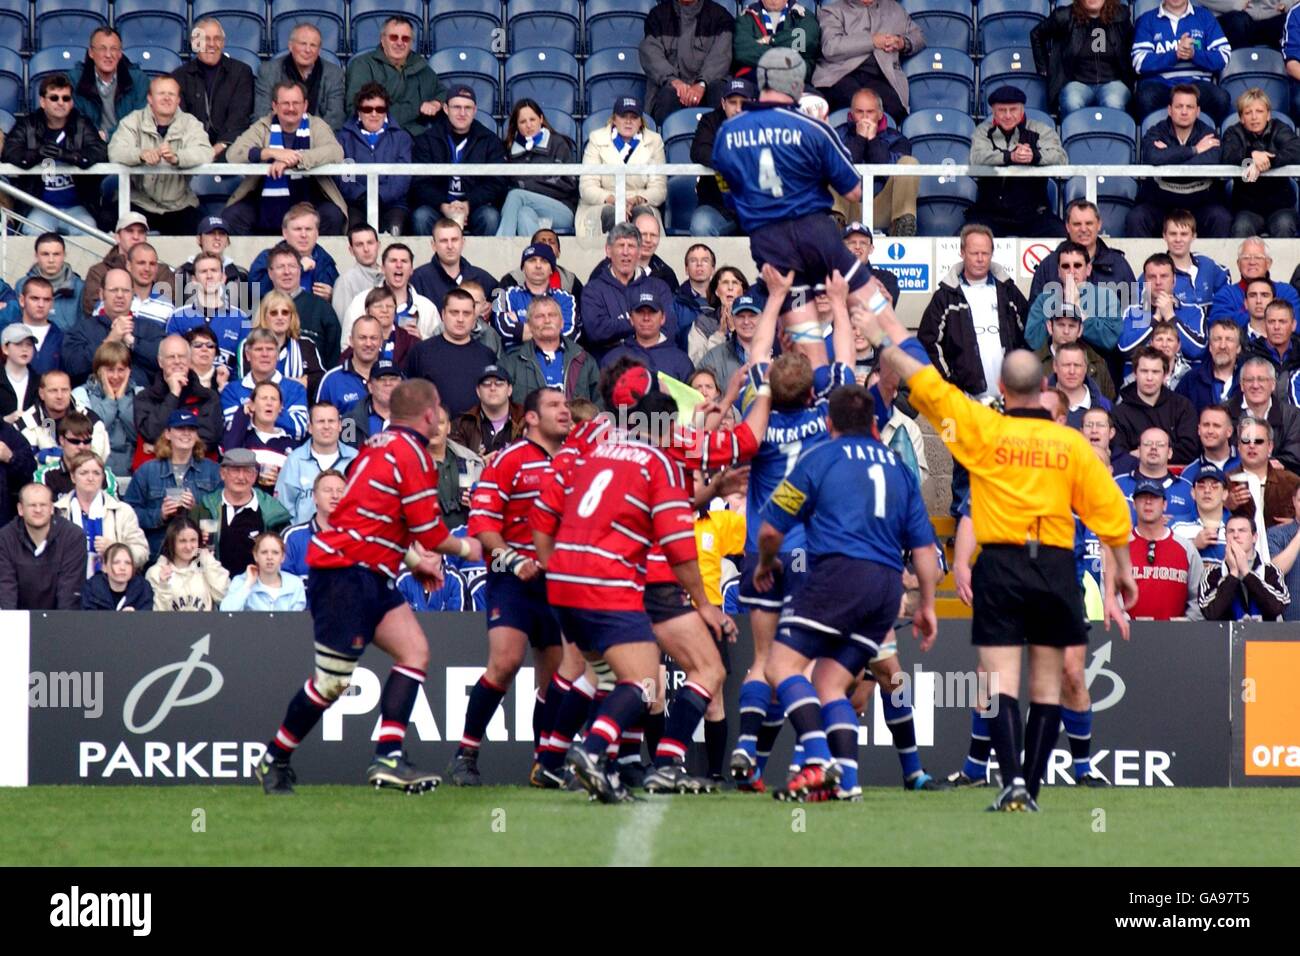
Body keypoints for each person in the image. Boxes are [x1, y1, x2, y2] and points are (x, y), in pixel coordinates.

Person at [857, 291, 1135, 812]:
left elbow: (926, 383)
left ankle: (1010, 787)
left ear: (1002, 389)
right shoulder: (1071, 444)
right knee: (1047, 684)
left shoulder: (982, 429)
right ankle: (1031, 787)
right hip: (1054, 565)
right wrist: (1121, 573)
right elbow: (1111, 516)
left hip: (1000, 567)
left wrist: (879, 335)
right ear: (1046, 387)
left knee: (1000, 679)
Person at [254, 379, 486, 795]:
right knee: (331, 681)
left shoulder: (373, 448)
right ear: (430, 414)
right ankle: (276, 757)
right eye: (437, 408)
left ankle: (389, 756)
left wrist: (412, 562)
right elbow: (430, 530)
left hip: (366, 570)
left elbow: (376, 515)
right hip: (346, 572)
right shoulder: (411, 453)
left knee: (414, 651)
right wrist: (472, 546)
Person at [531, 389, 734, 802]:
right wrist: (705, 604)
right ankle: (614, 757)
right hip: (611, 580)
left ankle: (563, 761)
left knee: (599, 675)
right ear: (669, 427)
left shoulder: (590, 453)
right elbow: (678, 545)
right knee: (658, 677)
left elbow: (543, 515)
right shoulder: (659, 462)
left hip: (564, 578)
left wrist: (556, 567)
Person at [755, 384, 938, 801]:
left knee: (780, 666)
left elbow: (770, 529)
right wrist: (927, 605)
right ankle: (846, 783)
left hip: (838, 575)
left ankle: (819, 761)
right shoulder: (897, 466)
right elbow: (925, 550)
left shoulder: (817, 457)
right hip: (886, 589)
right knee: (830, 682)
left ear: (829, 422)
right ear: (874, 423)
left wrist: (766, 563)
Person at [709, 48, 880, 339]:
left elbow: (724, 181)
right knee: (882, 322)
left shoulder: (728, 132)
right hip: (813, 229)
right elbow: (855, 190)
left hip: (768, 236)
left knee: (804, 342)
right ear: (797, 87)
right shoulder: (811, 128)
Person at [448, 388, 573, 785]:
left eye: (566, 405)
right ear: (532, 418)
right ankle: (465, 754)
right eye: (554, 405)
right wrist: (513, 559)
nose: (565, 411)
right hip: (513, 579)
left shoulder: (577, 462)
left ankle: (545, 765)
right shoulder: (508, 460)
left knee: (555, 680)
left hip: (560, 583)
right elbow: (482, 523)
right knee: (505, 662)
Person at [224, 81, 347, 236]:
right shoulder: (263, 126)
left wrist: (297, 158)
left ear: (305, 105)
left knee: (332, 215)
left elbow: (335, 151)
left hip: (310, 197)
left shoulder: (316, 125)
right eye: (285, 103)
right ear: (275, 106)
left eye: (296, 103)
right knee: (233, 216)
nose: (291, 108)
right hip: (264, 201)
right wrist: (270, 153)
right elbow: (233, 154)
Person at [0, 74, 106, 236]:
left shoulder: (82, 124)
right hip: (40, 206)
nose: (60, 103)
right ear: (43, 101)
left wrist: (71, 156)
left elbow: (100, 152)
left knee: (89, 231)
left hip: (77, 207)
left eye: (66, 98)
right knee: (32, 230)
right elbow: (10, 152)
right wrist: (36, 154)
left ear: (71, 102)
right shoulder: (28, 124)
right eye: (54, 98)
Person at [1126, 85, 1231, 239]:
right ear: (1170, 110)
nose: (1184, 111)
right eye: (1179, 106)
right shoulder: (1156, 131)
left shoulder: (1209, 134)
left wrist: (1168, 155)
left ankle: (1215, 263)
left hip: (1200, 204)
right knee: (1136, 217)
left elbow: (1210, 161)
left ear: (1198, 111)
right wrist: (1194, 150)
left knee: (1221, 217)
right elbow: (1153, 157)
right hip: (1161, 204)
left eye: (1189, 107)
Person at [406, 84, 506, 237]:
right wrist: (444, 206)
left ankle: (481, 261)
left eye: (468, 107)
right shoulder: (428, 139)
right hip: (439, 206)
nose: (462, 113)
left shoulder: (489, 140)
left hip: (475, 207)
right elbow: (419, 183)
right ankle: (428, 261)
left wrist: (468, 204)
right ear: (446, 109)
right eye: (456, 107)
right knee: (421, 217)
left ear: (475, 111)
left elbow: (496, 182)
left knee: (490, 217)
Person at [966, 88, 1067, 239]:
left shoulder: (1041, 130)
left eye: (1013, 109)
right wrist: (1010, 157)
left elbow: (1061, 158)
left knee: (1062, 236)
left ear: (1022, 110)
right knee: (964, 239)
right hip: (991, 213)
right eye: (1002, 110)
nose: (1007, 115)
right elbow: (977, 157)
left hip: (1033, 213)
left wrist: (1035, 156)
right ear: (993, 111)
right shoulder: (983, 131)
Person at [579, 221, 676, 359]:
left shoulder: (659, 288)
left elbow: (669, 330)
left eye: (631, 246)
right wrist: (641, 327)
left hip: (653, 364)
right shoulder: (593, 290)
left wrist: (617, 332)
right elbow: (596, 332)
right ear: (608, 250)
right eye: (620, 245)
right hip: (610, 370)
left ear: (640, 251)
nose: (625, 252)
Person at [812, 0, 923, 120]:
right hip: (840, 75)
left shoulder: (894, 10)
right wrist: (872, 41)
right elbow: (831, 47)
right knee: (857, 103)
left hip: (882, 77)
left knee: (892, 107)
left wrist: (902, 42)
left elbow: (919, 37)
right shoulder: (833, 11)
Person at [576, 96, 669, 238]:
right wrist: (616, 201)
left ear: (640, 121)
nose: (628, 121)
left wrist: (636, 199)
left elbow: (659, 189)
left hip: (640, 203)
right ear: (614, 119)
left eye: (634, 117)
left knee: (642, 217)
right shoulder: (596, 138)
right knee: (612, 215)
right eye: (623, 116)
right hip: (602, 203)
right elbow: (587, 187)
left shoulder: (654, 141)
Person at [190, 447, 291, 576]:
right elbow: (191, 560)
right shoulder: (204, 510)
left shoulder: (274, 514)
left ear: (255, 476)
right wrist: (200, 548)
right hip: (215, 590)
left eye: (247, 471)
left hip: (258, 590)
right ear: (222, 473)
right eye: (235, 470)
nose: (241, 477)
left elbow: (284, 559)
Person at [1131, 0, 1233, 125]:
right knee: (1144, 98)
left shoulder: (1205, 16)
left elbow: (1223, 56)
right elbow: (1139, 62)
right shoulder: (1147, 19)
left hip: (1197, 85)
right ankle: (1155, 139)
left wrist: (1194, 54)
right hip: (1160, 85)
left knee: (1220, 98)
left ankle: (1205, 137)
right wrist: (1174, 55)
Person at [835, 88, 918, 237]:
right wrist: (859, 139)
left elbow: (886, 171)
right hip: (848, 206)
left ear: (880, 114)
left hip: (883, 208)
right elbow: (841, 165)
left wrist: (873, 140)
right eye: (860, 112)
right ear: (852, 114)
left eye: (870, 112)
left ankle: (902, 227)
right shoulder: (838, 135)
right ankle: (834, 226)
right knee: (833, 161)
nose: (865, 117)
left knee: (909, 163)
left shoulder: (897, 139)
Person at [403, 289, 498, 418]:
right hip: (433, 431)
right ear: (443, 315)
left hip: (476, 433)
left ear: (474, 316)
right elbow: (408, 396)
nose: (460, 319)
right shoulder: (421, 352)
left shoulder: (486, 355)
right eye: (454, 313)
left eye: (466, 313)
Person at [1219, 88, 1300, 239]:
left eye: (1259, 111)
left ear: (1268, 115)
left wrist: (1266, 160)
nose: (1254, 117)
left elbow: (1296, 151)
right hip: (1247, 208)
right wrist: (1252, 155)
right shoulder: (1233, 132)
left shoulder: (1279, 128)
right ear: (1241, 118)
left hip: (1281, 207)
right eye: (1248, 112)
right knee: (1241, 227)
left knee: (1284, 224)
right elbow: (1227, 155)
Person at [344, 16, 443, 138]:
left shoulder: (421, 66)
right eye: (393, 37)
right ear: (382, 40)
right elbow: (355, 109)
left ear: (411, 42)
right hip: (376, 137)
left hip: (416, 137)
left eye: (405, 38)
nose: (400, 43)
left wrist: (436, 103)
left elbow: (443, 92)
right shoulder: (363, 65)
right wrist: (416, 108)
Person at [1030, 0, 1135, 116]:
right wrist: (1044, 68)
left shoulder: (1120, 16)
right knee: (1072, 101)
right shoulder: (1065, 16)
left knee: (1113, 102)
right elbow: (1036, 34)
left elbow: (1132, 45)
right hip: (1077, 83)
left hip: (1113, 82)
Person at [53, 449, 149, 576]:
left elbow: (142, 553)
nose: (90, 478)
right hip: (68, 582)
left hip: (111, 584)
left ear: (103, 477)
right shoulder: (56, 511)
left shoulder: (123, 511)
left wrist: (115, 549)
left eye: (96, 473)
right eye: (84, 473)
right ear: (73, 477)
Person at [640, 0, 735, 125]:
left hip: (707, 89)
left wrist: (702, 84)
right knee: (667, 95)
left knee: (719, 90)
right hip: (671, 89)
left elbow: (721, 57)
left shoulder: (720, 16)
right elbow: (651, 54)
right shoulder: (658, 15)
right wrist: (674, 81)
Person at [171, 17, 254, 161]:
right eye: (205, 39)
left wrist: (218, 147)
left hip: (230, 150)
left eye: (217, 39)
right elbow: (180, 120)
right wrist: (199, 152)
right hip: (190, 153)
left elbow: (240, 117)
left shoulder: (241, 72)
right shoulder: (179, 76)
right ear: (195, 43)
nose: (211, 44)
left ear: (223, 43)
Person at [337, 83, 413, 235]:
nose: (374, 114)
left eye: (380, 109)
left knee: (394, 231)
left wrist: (378, 196)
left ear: (386, 112)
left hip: (393, 204)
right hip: (356, 204)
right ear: (359, 111)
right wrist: (363, 196)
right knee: (355, 232)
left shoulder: (401, 138)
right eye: (367, 109)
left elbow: (402, 177)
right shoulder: (344, 138)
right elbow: (344, 177)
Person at [496, 99, 579, 237]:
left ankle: (501, 247)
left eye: (532, 119)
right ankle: (537, 255)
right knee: (524, 215)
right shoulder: (509, 150)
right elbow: (504, 185)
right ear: (516, 126)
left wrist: (526, 185)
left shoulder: (557, 143)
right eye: (522, 122)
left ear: (541, 119)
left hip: (561, 210)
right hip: (525, 208)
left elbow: (568, 184)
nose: (528, 125)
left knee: (516, 195)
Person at [498, 296, 600, 406]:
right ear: (530, 325)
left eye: (552, 315)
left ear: (561, 323)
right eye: (539, 316)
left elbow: (600, 406)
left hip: (574, 423)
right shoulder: (511, 362)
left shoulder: (584, 360)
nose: (547, 320)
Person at [0, 483, 87, 609]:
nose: (38, 510)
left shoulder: (73, 536)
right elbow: (6, 588)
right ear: (20, 509)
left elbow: (70, 591)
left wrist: (61, 626)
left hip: (59, 621)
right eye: (32, 505)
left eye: (43, 505)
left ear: (52, 508)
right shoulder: (5, 538)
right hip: (19, 620)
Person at [1128, 478, 1204, 619]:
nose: (1148, 502)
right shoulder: (1120, 548)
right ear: (1134, 504)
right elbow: (1110, 594)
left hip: (1177, 637)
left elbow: (1199, 597)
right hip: (1128, 635)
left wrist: (1185, 623)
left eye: (1154, 497)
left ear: (1164, 505)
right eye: (1142, 497)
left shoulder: (1186, 548)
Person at [133, 335, 224, 453]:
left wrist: (160, 449)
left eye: (181, 356)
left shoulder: (208, 397)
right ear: (161, 362)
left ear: (189, 360)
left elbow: (209, 438)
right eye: (171, 357)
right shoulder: (144, 398)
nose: (177, 361)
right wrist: (173, 395)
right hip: (157, 469)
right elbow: (151, 433)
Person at [257, 242, 341, 369]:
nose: (287, 272)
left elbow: (334, 358)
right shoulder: (259, 307)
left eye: (292, 266)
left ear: (300, 270)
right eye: (280, 267)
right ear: (270, 273)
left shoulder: (322, 308)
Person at [1118, 252, 1207, 371]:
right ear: (1144, 282)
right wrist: (1156, 319)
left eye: (1164, 276)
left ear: (1174, 280)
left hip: (1184, 385)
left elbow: (1197, 350)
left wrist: (1170, 316)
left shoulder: (1194, 311)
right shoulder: (1132, 312)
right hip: (1141, 383)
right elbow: (1125, 350)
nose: (1158, 282)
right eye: (1152, 277)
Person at [1112, 348, 1199, 463]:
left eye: (1155, 372)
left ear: (1165, 375)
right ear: (1135, 374)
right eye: (1144, 371)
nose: (1149, 378)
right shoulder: (1119, 413)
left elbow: (1190, 450)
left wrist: (1143, 453)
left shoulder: (1182, 407)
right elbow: (1119, 455)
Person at [221, 328, 309, 441]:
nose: (265, 354)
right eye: (258, 349)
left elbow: (299, 430)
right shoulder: (231, 390)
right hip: (244, 455)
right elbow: (231, 429)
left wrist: (253, 410)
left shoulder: (296, 389)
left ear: (277, 354)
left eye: (270, 349)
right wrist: (276, 411)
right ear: (248, 355)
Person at [165, 252, 251, 369]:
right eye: (203, 271)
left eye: (214, 270)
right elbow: (172, 362)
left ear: (223, 278)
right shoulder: (178, 317)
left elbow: (244, 366)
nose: (209, 276)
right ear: (194, 279)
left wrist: (227, 386)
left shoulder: (241, 319)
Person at [689, 80, 752, 237]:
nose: (738, 109)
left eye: (743, 103)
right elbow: (699, 151)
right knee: (701, 224)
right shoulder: (710, 121)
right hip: (718, 207)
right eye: (732, 102)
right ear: (723, 103)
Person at [276, 403, 357, 524]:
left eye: (331, 421)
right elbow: (283, 509)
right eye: (320, 421)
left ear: (340, 426)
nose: (326, 426)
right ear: (309, 427)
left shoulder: (356, 459)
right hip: (305, 539)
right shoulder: (294, 460)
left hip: (347, 538)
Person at [255, 22, 346, 131]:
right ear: (290, 46)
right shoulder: (268, 71)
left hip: (319, 139)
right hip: (277, 137)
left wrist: (310, 139)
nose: (308, 50)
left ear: (319, 50)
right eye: (303, 44)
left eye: (313, 45)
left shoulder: (334, 74)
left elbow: (335, 118)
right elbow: (262, 114)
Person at [81, 214, 176, 317]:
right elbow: (93, 308)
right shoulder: (98, 271)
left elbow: (169, 306)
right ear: (117, 237)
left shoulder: (161, 270)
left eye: (141, 232)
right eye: (130, 231)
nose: (136, 237)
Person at [1198, 515, 1290, 619]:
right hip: (1224, 634)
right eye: (1231, 531)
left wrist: (1246, 573)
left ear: (1254, 537)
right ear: (1225, 536)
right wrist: (1232, 574)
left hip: (1264, 634)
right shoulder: (1212, 573)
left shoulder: (1271, 571)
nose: (1236, 535)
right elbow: (1210, 612)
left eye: (1242, 530)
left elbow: (1276, 608)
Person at [342, 244, 439, 342]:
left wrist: (421, 340)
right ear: (383, 268)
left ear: (411, 270)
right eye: (393, 261)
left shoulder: (427, 308)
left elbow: (439, 349)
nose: (399, 265)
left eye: (404, 261)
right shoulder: (361, 302)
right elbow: (346, 344)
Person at [71, 341, 138, 477]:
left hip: (132, 470)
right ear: (98, 371)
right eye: (110, 370)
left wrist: (122, 399)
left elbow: (137, 434)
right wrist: (109, 399)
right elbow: (91, 432)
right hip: (94, 469)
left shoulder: (139, 393)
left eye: (121, 370)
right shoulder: (81, 394)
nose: (115, 376)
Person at [492, 244, 577, 349]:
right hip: (515, 361)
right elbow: (502, 328)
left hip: (556, 362)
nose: (538, 265)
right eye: (532, 260)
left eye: (544, 261)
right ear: (523, 267)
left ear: (552, 269)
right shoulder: (504, 295)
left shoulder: (567, 299)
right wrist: (549, 330)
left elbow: (569, 335)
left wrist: (520, 322)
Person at [248, 204, 340, 301]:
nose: (304, 235)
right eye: (298, 229)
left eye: (308, 229)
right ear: (285, 233)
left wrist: (333, 296)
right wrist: (299, 268)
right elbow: (251, 296)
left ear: (317, 233)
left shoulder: (326, 262)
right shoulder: (267, 258)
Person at [72, 27, 148, 143]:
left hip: (127, 144)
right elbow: (74, 120)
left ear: (120, 53)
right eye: (102, 49)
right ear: (91, 53)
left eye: (114, 49)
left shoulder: (138, 80)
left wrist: (108, 135)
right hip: (88, 145)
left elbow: (141, 121)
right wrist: (94, 136)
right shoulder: (75, 80)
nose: (108, 55)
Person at [243, 290, 325, 399]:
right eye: (274, 313)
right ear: (264, 316)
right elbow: (245, 380)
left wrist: (307, 382)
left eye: (285, 312)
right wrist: (290, 384)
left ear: (292, 316)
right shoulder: (249, 345)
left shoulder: (306, 345)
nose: (280, 317)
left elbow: (320, 379)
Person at [600, 292, 695, 382]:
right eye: (640, 312)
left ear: (662, 318)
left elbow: (692, 399)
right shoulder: (613, 359)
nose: (646, 318)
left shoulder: (681, 361)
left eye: (652, 312)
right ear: (631, 319)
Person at [1227, 416, 1300, 530]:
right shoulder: (1225, 482)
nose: (1252, 446)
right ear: (1239, 447)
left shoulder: (1292, 482)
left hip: (1284, 545)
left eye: (1258, 441)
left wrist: (1296, 525)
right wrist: (1227, 506)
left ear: (1270, 447)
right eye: (1246, 441)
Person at [146, 515, 230, 611]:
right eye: (182, 541)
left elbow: (223, 598)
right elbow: (157, 616)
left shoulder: (202, 565)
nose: (189, 547)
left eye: (193, 540)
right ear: (171, 543)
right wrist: (163, 586)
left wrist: (208, 560)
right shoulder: (157, 572)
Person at [1210, 238, 1300, 327]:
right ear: (1238, 264)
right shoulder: (1226, 294)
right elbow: (1218, 324)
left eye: (1258, 257)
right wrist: (1273, 318)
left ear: (1268, 263)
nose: (1252, 262)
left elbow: (1297, 323)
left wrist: (1243, 317)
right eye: (1246, 258)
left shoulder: (1286, 292)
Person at [223, 381, 296, 490]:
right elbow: (230, 454)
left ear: (280, 407)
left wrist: (280, 480)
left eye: (273, 399)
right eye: (264, 398)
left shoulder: (291, 444)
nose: (269, 403)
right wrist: (242, 415)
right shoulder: (242, 436)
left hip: (275, 504)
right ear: (252, 405)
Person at [1115, 426, 1196, 521]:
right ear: (1139, 451)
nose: (1153, 448)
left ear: (1170, 453)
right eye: (1147, 444)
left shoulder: (1187, 488)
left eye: (1160, 445)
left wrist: (1174, 522)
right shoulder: (1117, 484)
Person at [733, 0, 820, 83]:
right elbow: (742, 51)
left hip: (794, 77)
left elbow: (806, 38)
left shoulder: (802, 14)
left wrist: (771, 40)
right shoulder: (747, 15)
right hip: (755, 77)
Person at [1237, 356, 1300, 469]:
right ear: (1242, 385)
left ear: (1273, 385)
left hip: (1281, 480)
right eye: (1249, 380)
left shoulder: (1293, 416)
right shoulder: (1226, 414)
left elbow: (1294, 455)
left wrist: (1274, 465)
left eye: (1261, 379)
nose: (1255, 385)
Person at [281, 467, 345, 578]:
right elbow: (279, 584)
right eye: (328, 490)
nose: (335, 496)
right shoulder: (292, 536)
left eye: (340, 491)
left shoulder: (358, 539)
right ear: (314, 497)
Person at [220, 531, 307, 611]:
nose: (269, 557)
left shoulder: (295, 584)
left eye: (275, 552)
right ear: (255, 556)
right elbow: (226, 612)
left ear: (283, 557)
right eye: (264, 552)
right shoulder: (241, 581)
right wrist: (248, 584)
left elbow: (297, 623)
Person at [17, 234, 87, 333]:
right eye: (45, 254)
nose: (51, 260)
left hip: (68, 345)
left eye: (56, 254)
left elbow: (84, 326)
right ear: (36, 256)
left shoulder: (79, 287)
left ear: (64, 255)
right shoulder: (22, 285)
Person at [450, 366, 524, 460]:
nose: (492, 388)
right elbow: (455, 465)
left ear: (509, 390)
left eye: (499, 383)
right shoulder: (462, 425)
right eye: (486, 384)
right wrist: (478, 463)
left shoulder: (526, 421)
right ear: (478, 391)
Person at [317, 314, 383, 414]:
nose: (368, 343)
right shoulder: (331, 381)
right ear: (351, 341)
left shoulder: (394, 377)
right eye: (362, 338)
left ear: (381, 342)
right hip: (347, 430)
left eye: (373, 338)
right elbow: (320, 422)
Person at [173, 217, 250, 299]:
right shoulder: (182, 273)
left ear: (227, 241)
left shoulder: (241, 274)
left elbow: (246, 309)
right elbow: (177, 308)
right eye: (211, 233)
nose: (217, 238)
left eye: (222, 233)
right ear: (199, 239)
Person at [697, 292, 763, 385]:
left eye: (752, 316)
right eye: (740, 316)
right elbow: (700, 393)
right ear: (732, 318)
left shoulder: (777, 351)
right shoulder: (714, 357)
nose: (746, 321)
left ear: (763, 317)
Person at [1171, 465, 1231, 561]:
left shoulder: (1237, 527)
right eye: (1201, 486)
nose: (1207, 491)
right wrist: (1193, 545)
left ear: (1225, 494)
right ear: (1193, 493)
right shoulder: (1175, 526)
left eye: (1214, 486)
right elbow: (1164, 565)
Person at [341, 359, 404, 444]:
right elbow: (347, 455)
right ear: (370, 387)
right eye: (381, 379)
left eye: (393, 379)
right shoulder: (349, 421)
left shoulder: (415, 420)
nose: (388, 383)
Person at [81, 541, 153, 610]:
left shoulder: (143, 588)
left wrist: (135, 617)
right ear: (104, 567)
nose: (122, 567)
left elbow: (148, 618)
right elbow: (88, 619)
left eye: (128, 563)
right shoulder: (91, 588)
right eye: (116, 562)